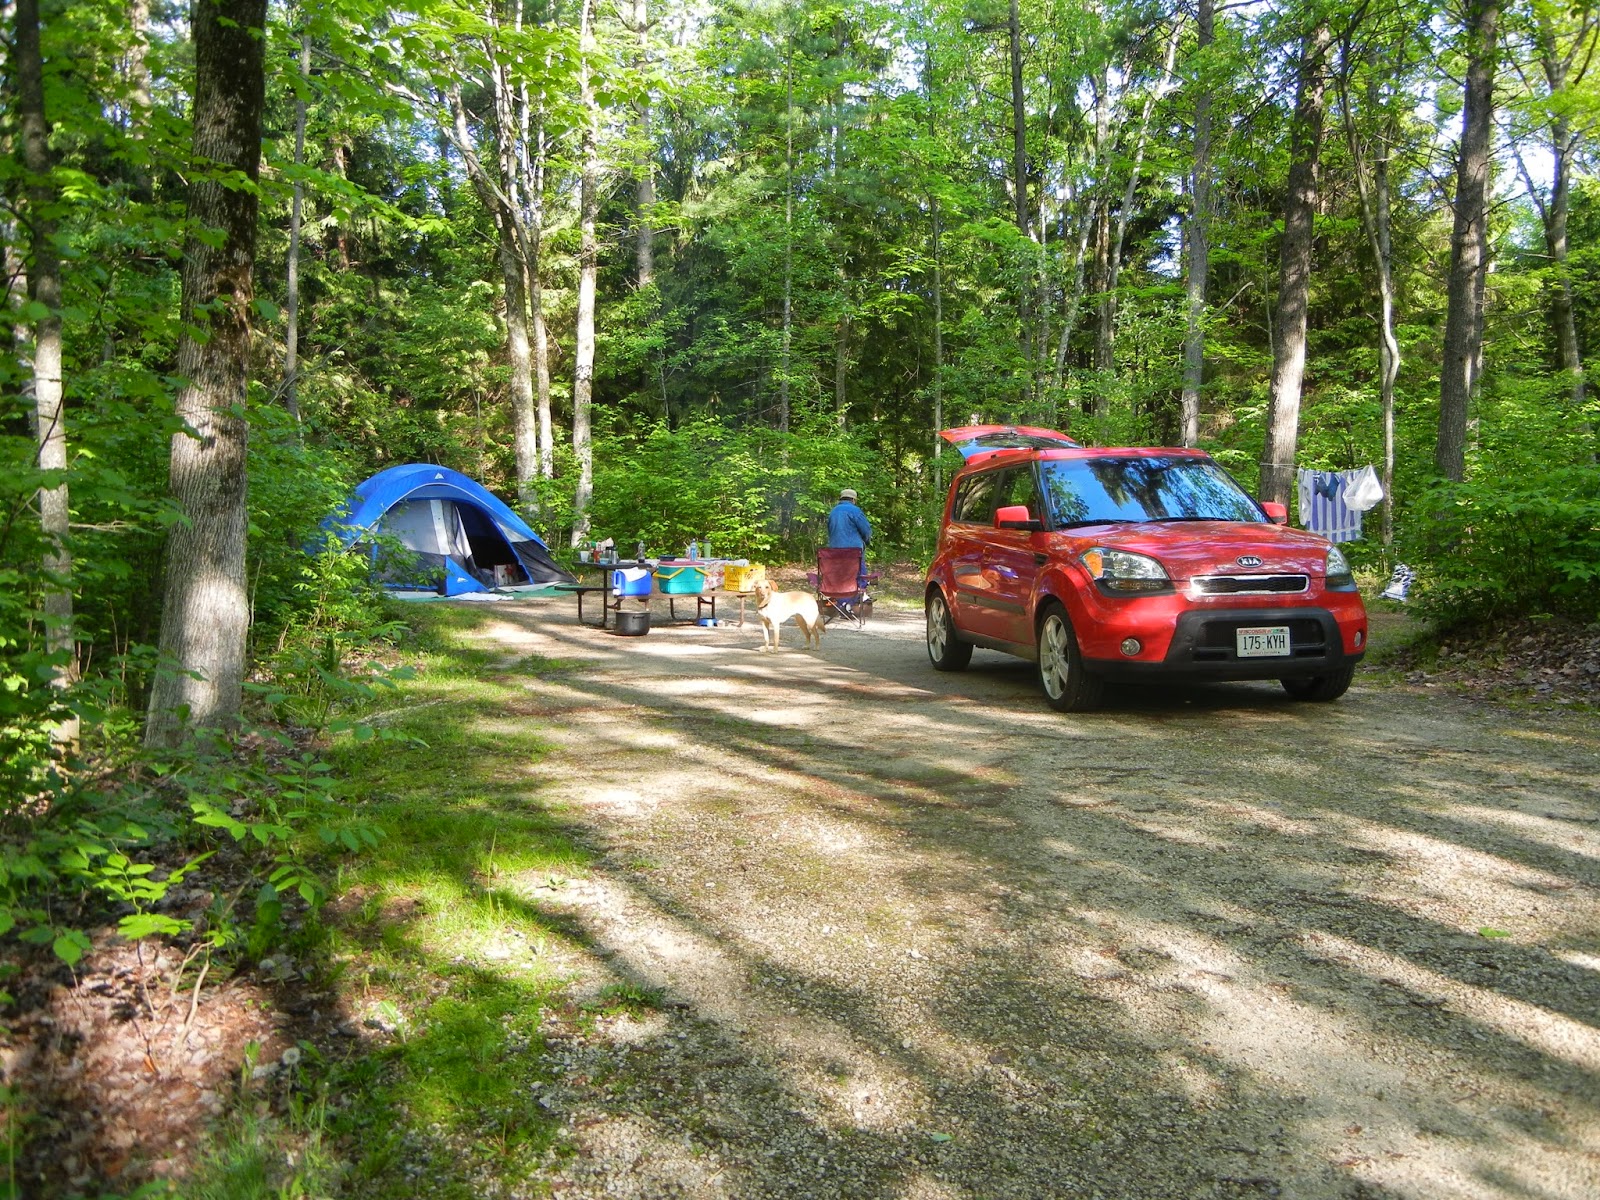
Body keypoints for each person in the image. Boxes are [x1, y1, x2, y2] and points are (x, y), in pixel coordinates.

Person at [826, 488, 872, 589]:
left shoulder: (833, 512)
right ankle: (861, 590)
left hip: (834, 552)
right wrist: (866, 541)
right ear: (853, 500)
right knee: (859, 567)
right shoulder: (855, 511)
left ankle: (839, 592)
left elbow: (830, 531)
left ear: (841, 499)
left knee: (839, 573)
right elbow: (866, 530)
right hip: (854, 553)